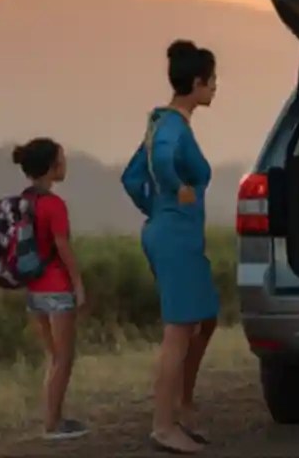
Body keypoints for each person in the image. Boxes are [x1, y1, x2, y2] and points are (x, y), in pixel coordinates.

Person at [121, 39, 219, 455]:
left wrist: (156, 206)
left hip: (173, 230)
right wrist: (175, 192)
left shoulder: (163, 123)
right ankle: (164, 425)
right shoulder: (171, 129)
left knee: (206, 318)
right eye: (212, 81)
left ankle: (182, 403)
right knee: (179, 331)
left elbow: (130, 177)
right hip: (174, 236)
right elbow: (161, 161)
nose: (216, 88)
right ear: (197, 83)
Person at [13, 138, 89, 441]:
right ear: (51, 167)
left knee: (53, 358)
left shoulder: (25, 202)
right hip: (57, 288)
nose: (65, 163)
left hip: (34, 289)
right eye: (61, 159)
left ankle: (52, 417)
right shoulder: (54, 205)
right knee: (63, 359)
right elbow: (63, 247)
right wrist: (78, 285)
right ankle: (53, 424)